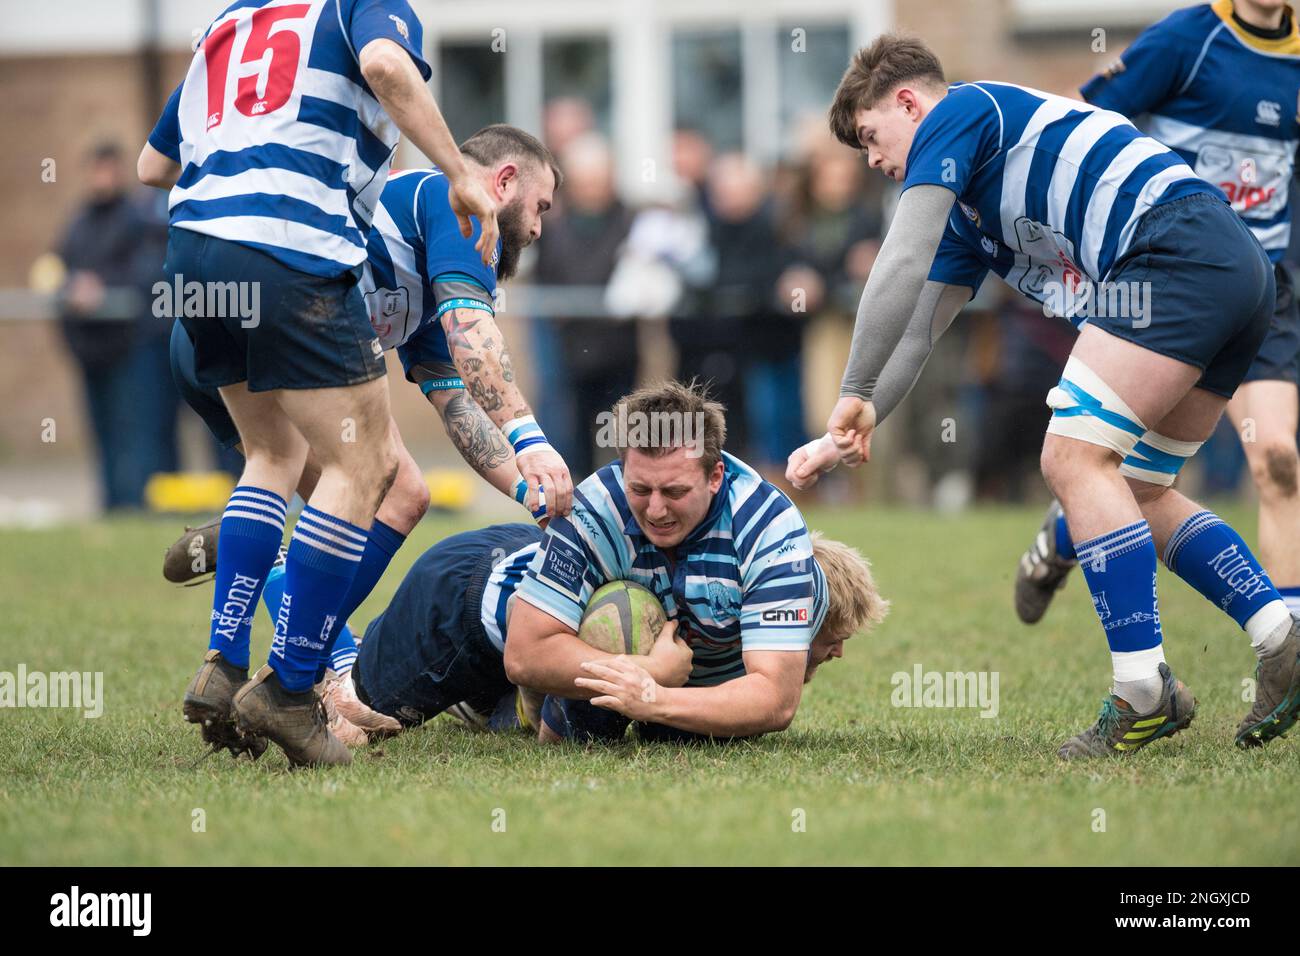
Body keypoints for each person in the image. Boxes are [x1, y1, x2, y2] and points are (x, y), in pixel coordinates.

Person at [787, 33, 1299, 757]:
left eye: (871, 137)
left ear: (908, 103)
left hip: (1171, 248)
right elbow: (919, 331)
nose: (872, 161)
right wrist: (861, 413)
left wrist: (850, 384)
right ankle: (1279, 632)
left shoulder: (960, 110)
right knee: (1140, 489)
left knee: (1070, 460)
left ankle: (1143, 691)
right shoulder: (968, 211)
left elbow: (899, 255)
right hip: (1229, 267)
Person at [136, 0, 500, 767]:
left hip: (191, 259)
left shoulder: (232, 19)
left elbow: (152, 166)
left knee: (268, 455)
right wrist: (458, 169)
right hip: (287, 248)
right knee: (367, 468)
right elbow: (384, 66)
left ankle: (224, 660)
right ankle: (293, 686)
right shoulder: (360, 8)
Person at [151, 125, 572, 755]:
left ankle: (259, 574)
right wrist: (533, 439)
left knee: (372, 492)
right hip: (279, 336)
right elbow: (471, 332)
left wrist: (528, 491)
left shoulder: (426, 270)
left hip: (219, 337)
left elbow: (458, 405)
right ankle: (304, 667)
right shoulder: (457, 202)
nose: (538, 229)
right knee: (395, 492)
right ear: (504, 180)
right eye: (540, 207)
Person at [323, 379, 885, 746]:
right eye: (640, 488)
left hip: (562, 642)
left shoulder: (769, 527)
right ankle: (278, 575)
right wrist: (653, 681)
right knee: (350, 726)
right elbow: (527, 653)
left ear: (717, 475)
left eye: (675, 491)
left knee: (654, 732)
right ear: (621, 468)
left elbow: (772, 700)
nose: (656, 510)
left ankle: (495, 705)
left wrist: (659, 701)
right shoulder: (598, 504)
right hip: (466, 601)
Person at [1015, 1, 1300, 633]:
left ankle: (1287, 648)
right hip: (1178, 278)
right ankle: (1069, 527)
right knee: (1130, 467)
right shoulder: (1185, 38)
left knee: (1277, 456)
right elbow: (1077, 120)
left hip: (1268, 285)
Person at [56, 142, 178, 510]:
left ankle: (137, 505)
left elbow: (146, 272)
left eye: (108, 168)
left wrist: (102, 288)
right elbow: (58, 266)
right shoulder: (79, 223)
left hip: (131, 346)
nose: (102, 177)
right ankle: (112, 506)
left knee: (138, 434)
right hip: (92, 351)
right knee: (103, 433)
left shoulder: (137, 219)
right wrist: (70, 286)